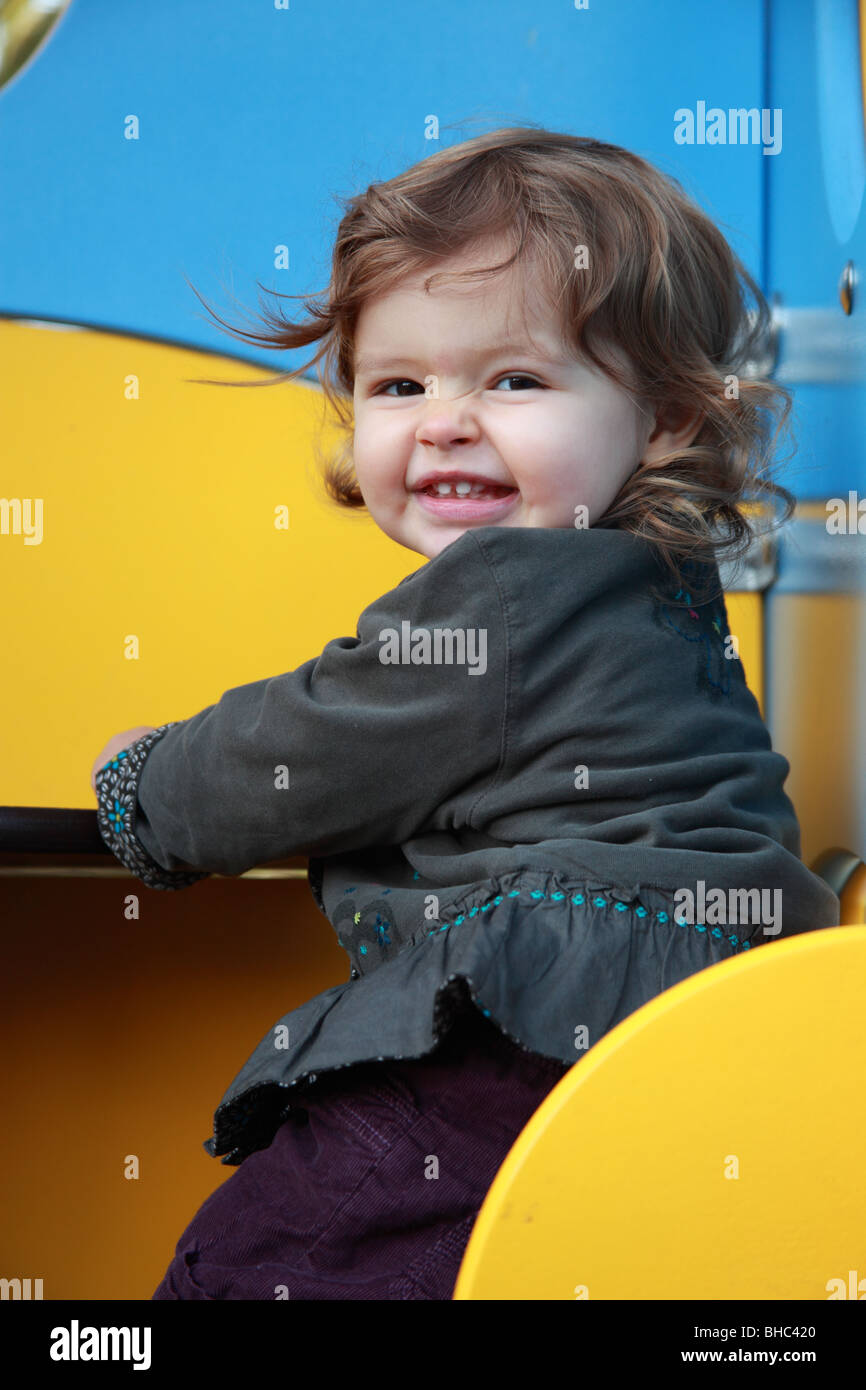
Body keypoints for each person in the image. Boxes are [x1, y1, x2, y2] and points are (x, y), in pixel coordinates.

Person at [92, 128, 841, 1300]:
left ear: (664, 421)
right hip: (704, 1028)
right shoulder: (652, 581)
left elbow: (301, 746)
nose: (442, 420)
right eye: (398, 385)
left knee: (270, 1256)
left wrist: (143, 785)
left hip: (527, 1025)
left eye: (513, 380)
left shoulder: (500, 592)